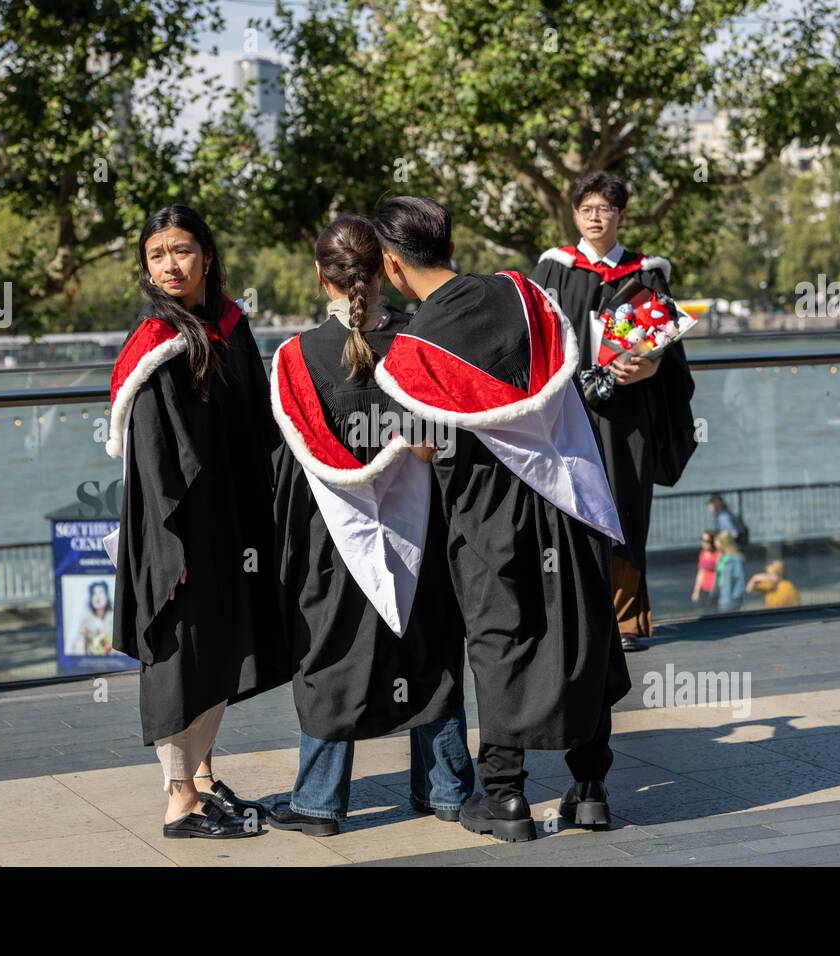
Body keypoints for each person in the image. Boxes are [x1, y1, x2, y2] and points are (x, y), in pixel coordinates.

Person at [372, 196, 630, 843]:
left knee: (501, 640)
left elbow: (426, 447)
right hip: (568, 493)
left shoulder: (411, 353)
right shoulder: (522, 291)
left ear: (391, 264)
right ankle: (591, 786)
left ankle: (507, 797)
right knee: (582, 626)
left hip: (489, 512)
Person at [266, 215, 474, 836]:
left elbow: (286, 464)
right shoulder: (422, 343)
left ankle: (319, 802)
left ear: (320, 275)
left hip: (334, 542)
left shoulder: (296, 356)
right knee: (431, 650)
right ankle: (446, 788)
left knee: (332, 656)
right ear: (387, 267)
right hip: (424, 533)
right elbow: (451, 438)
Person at [106, 205, 290, 839]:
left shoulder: (230, 328)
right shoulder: (155, 347)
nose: (169, 265)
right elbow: (155, 463)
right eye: (156, 256)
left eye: (180, 250)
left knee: (216, 644)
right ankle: (178, 799)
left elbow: (260, 424)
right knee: (180, 648)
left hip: (229, 522)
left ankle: (204, 778)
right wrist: (168, 549)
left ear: (206, 255)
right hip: (176, 528)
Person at [532, 172, 697, 652]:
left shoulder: (647, 272)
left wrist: (651, 368)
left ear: (622, 215)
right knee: (574, 504)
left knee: (626, 506)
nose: (595, 218)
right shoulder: (554, 269)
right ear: (574, 215)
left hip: (629, 413)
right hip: (572, 409)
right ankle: (578, 615)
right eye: (586, 209)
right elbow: (537, 340)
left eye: (605, 209)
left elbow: (668, 348)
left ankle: (625, 620)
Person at [712, 530, 745, 612]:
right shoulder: (721, 556)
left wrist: (734, 599)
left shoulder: (735, 558)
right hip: (721, 594)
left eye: (717, 541)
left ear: (724, 542)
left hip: (729, 598)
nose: (715, 543)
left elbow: (739, 580)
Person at [691, 531, 719, 607]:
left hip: (715, 588)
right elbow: (701, 573)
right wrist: (696, 591)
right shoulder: (702, 553)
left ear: (712, 542)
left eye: (707, 541)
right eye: (702, 540)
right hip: (704, 588)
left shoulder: (717, 554)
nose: (704, 543)